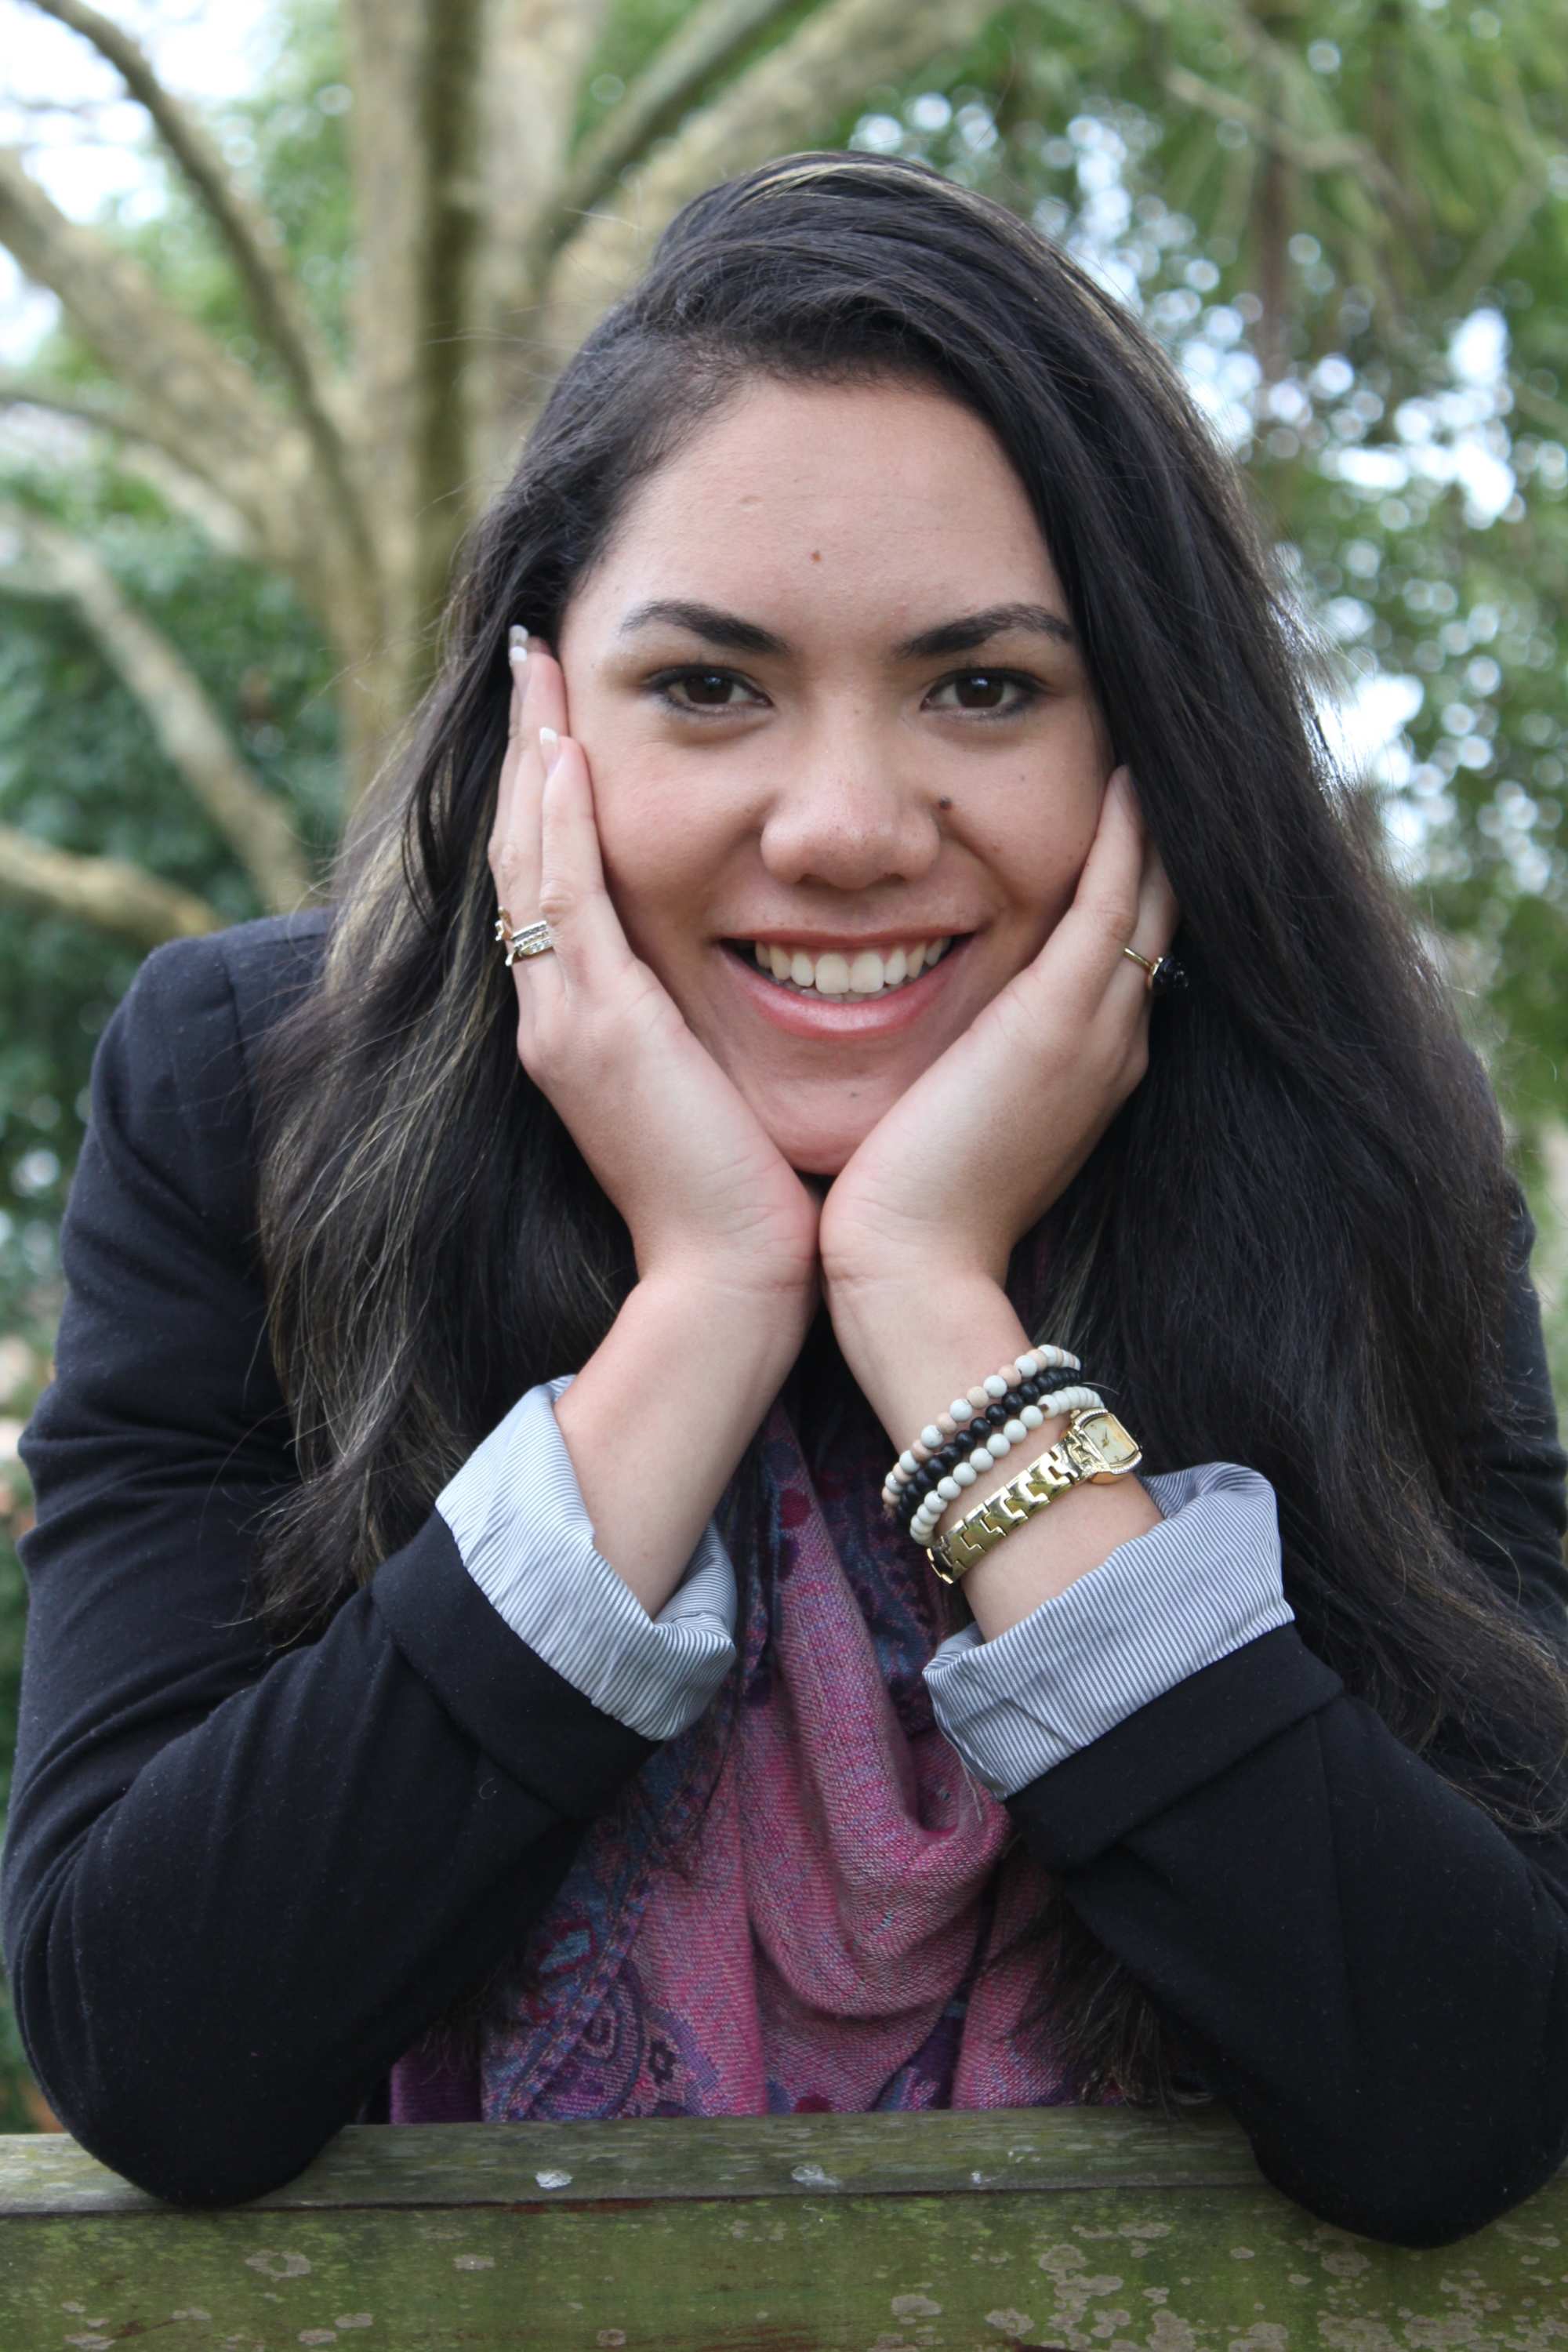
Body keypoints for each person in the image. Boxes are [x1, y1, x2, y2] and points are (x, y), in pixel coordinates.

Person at [4, 151, 1566, 2247]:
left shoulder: (1355, 1143)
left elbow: (1462, 2094)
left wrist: (936, 1311)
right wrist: (712, 1296)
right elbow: (160, 2040)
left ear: (1155, 749)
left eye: (985, 687)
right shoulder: (251, 1103)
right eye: (710, 687)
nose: (841, 829)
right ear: (539, 718)